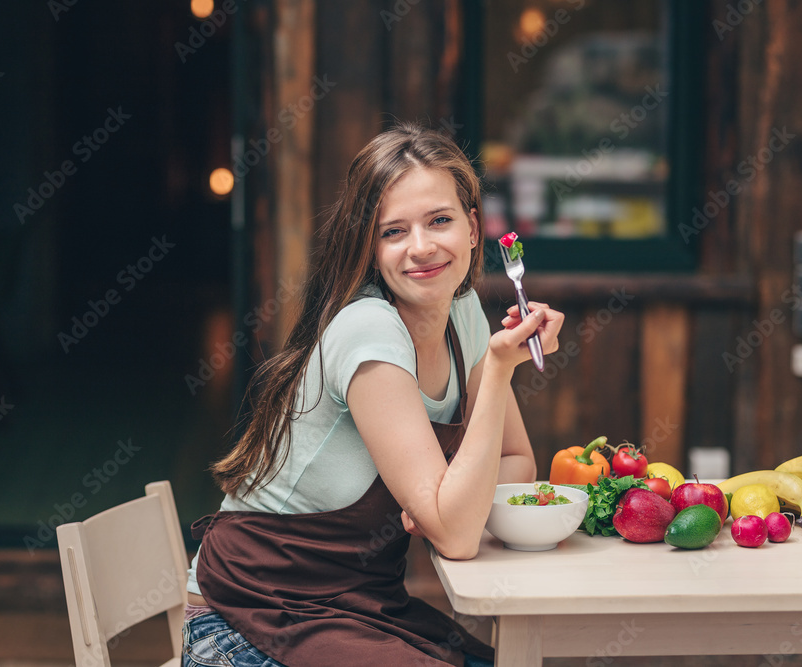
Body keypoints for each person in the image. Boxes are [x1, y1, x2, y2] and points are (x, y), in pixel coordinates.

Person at [183, 122, 564, 667]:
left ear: (474, 228)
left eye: (440, 220)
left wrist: (451, 498)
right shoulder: (371, 331)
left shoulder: (463, 316)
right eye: (393, 232)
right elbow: (455, 538)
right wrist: (501, 370)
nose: (421, 247)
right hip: (246, 619)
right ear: (370, 247)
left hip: (358, 607)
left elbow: (516, 461)